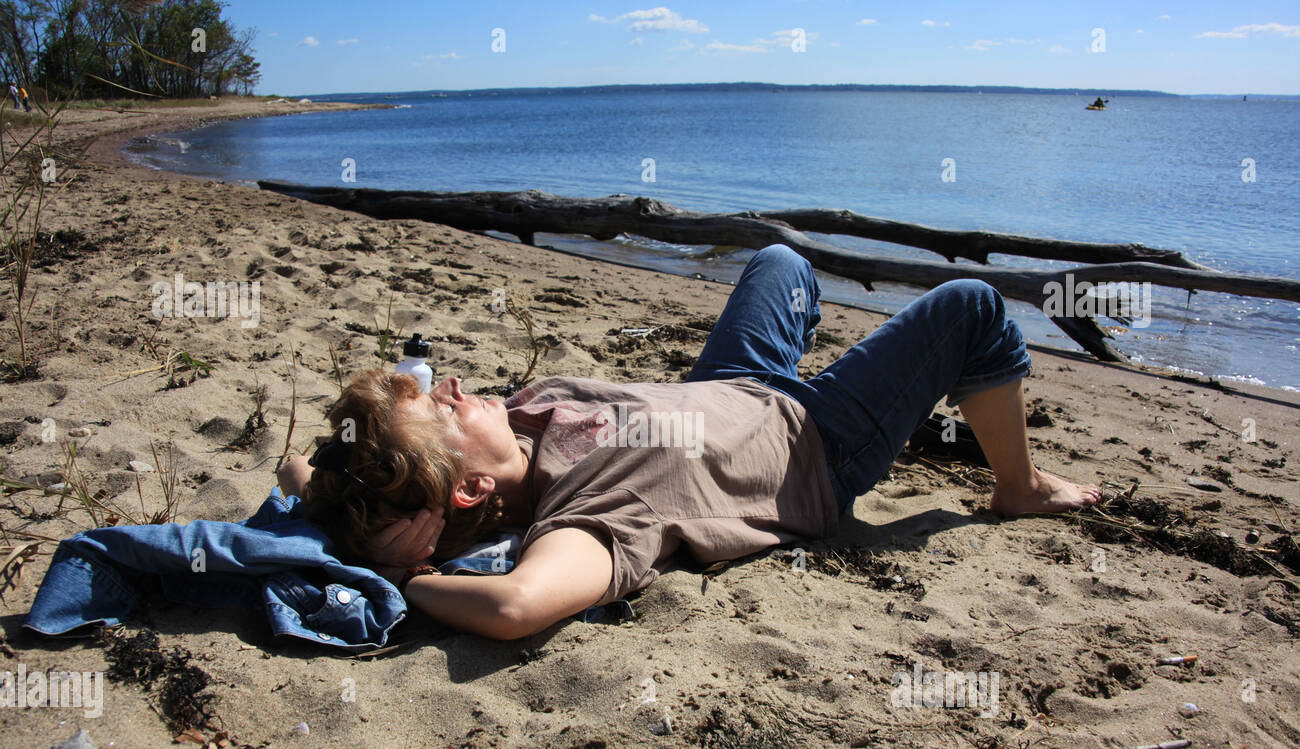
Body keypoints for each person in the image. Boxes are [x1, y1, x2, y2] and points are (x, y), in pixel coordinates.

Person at [278, 244, 1100, 641]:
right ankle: (1017, 486)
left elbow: (311, 471)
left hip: (737, 381)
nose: (455, 386)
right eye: (447, 407)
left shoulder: (520, 422)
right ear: (466, 489)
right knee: (971, 305)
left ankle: (900, 386)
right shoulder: (584, 516)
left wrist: (321, 477)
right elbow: (513, 607)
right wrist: (412, 576)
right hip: (818, 443)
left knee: (781, 259)